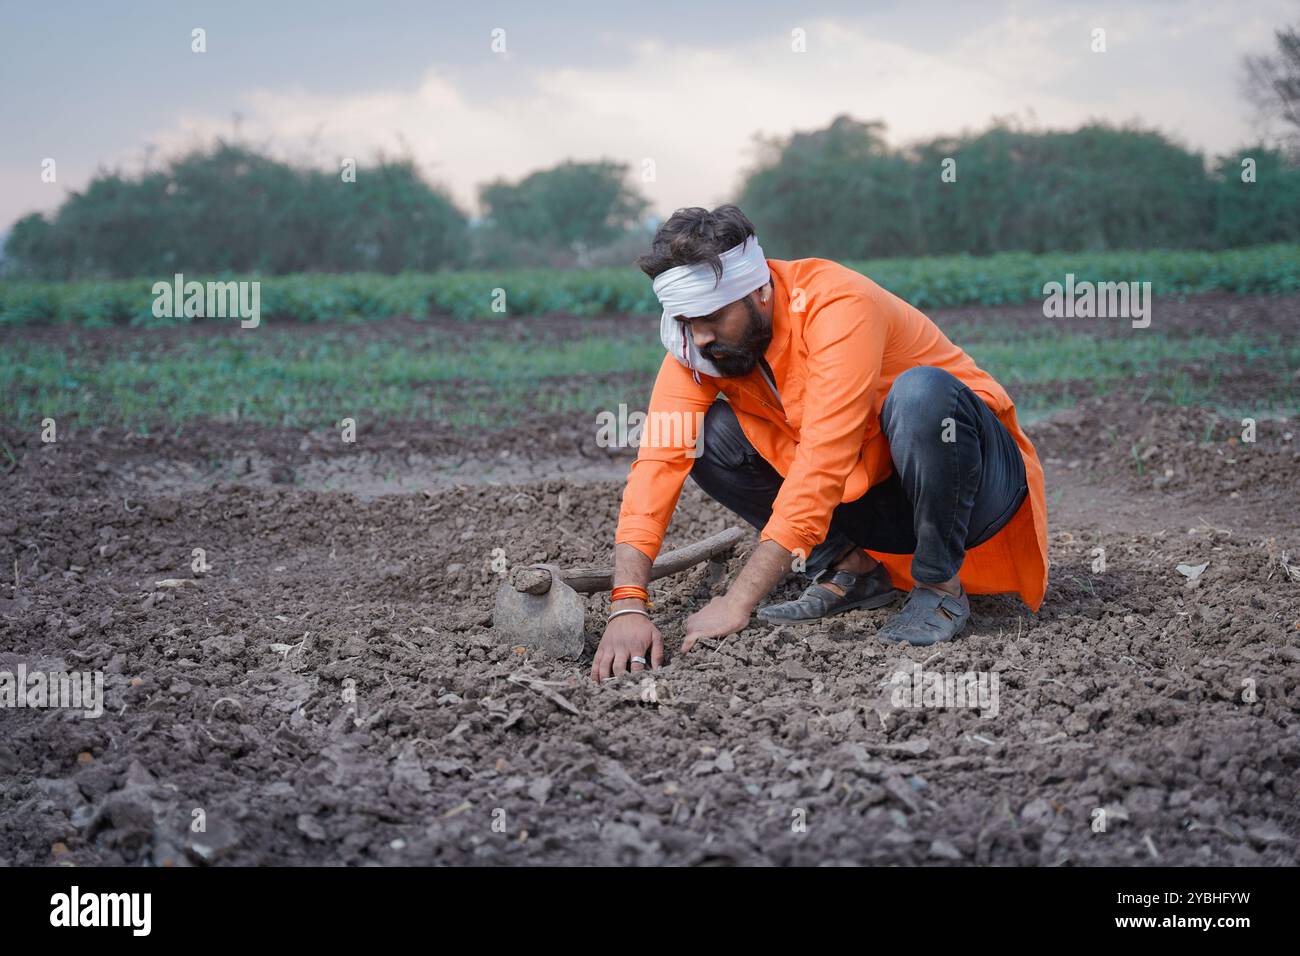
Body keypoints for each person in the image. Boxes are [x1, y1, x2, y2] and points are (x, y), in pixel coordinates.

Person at [590, 205, 1047, 683]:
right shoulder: (696, 348)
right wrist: (627, 605)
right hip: (874, 499)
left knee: (920, 395)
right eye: (686, 320)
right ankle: (852, 570)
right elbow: (658, 462)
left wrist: (737, 600)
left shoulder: (837, 304)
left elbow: (824, 462)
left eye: (712, 317)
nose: (699, 337)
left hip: (972, 486)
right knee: (706, 435)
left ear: (760, 290)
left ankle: (939, 583)